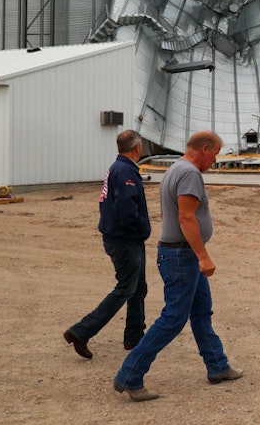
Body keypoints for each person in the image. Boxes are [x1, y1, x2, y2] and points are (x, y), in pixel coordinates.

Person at [113, 130, 242, 401]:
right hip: (182, 256)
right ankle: (130, 375)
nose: (215, 161)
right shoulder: (189, 173)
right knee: (173, 319)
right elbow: (186, 218)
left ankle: (217, 365)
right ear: (204, 149)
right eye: (215, 154)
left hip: (181, 255)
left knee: (201, 312)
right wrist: (203, 255)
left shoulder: (176, 169)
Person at [64, 130, 150, 359]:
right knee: (126, 288)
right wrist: (140, 227)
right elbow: (125, 210)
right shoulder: (124, 171)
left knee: (138, 288)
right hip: (125, 240)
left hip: (124, 239)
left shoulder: (119, 168)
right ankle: (81, 331)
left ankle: (134, 337)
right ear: (138, 148)